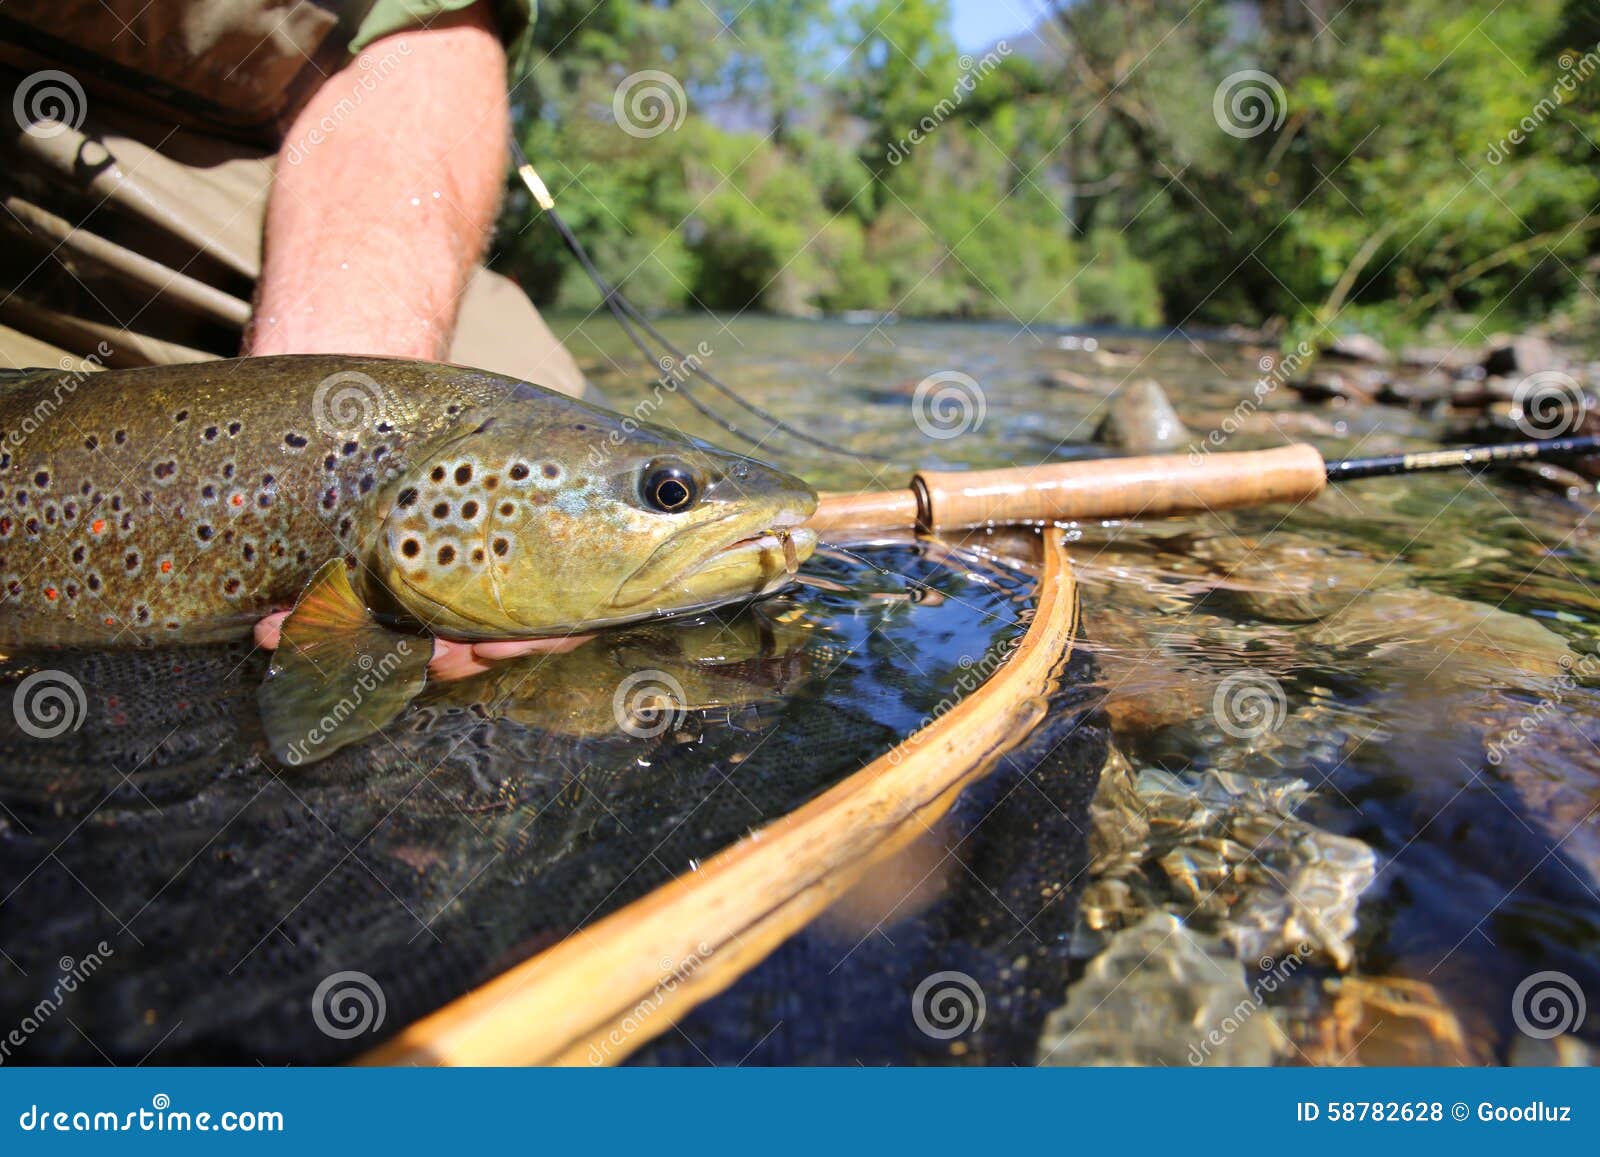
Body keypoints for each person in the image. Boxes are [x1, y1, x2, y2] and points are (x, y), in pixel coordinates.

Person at [0, 0, 591, 676]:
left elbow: (435, 32)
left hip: (263, 144)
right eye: (667, 492)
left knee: (535, 372)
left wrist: (329, 432)